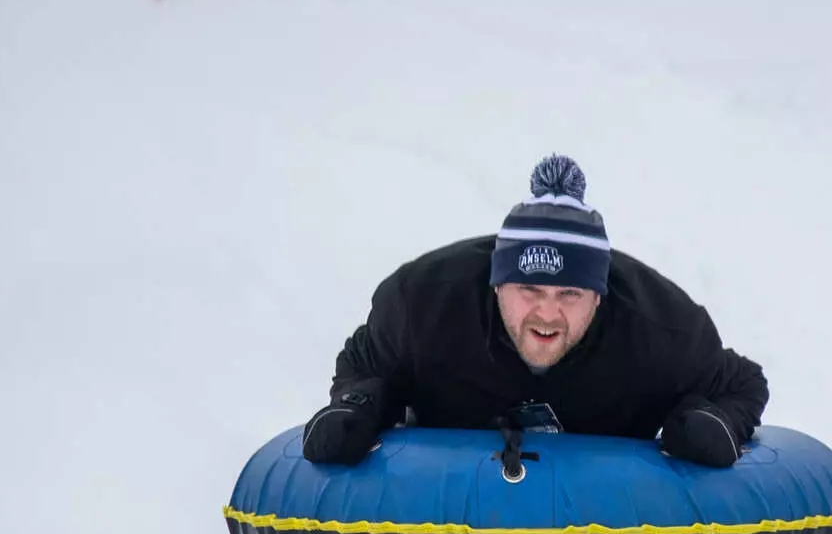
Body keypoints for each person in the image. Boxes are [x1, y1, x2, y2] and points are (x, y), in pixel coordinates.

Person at [300, 155, 769, 468]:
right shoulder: (423, 304)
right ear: (497, 283)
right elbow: (364, 361)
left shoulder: (663, 329)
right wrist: (362, 402)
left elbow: (743, 382)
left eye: (570, 295)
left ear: (599, 296)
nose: (547, 314)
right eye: (529, 290)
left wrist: (709, 423)